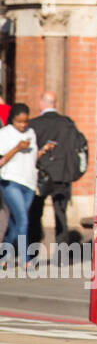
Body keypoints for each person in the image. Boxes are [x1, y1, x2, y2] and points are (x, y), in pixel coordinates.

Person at [0, 104, 56, 267]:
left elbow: (31, 158)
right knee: (23, 220)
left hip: (29, 183)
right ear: (13, 120)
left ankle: (3, 256)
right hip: (11, 181)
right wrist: (17, 148)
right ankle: (26, 259)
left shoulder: (31, 133)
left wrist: (44, 150)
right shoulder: (4, 134)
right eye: (19, 122)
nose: (23, 125)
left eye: (25, 122)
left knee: (16, 223)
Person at [28, 92, 86, 244]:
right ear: (56, 104)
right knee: (61, 215)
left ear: (42, 103)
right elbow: (79, 146)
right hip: (62, 174)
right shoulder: (67, 124)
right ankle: (61, 256)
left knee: (35, 214)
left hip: (40, 174)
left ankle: (31, 255)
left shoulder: (34, 124)